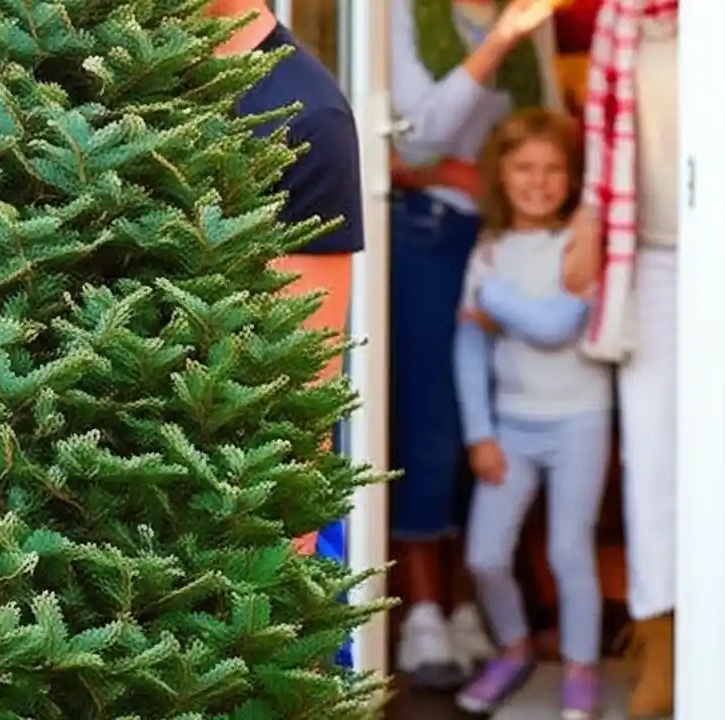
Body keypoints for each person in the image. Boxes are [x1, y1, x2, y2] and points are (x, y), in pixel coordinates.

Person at [388, 0, 564, 688]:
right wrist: (500, 40)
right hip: (428, 235)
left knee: (490, 420)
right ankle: (424, 609)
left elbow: (545, 130)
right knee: (429, 420)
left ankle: (466, 600)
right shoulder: (397, 11)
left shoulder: (534, 19)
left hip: (507, 234)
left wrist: (473, 174)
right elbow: (415, 138)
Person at [206, 0, 365, 665]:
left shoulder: (308, 117)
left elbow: (304, 379)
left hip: (252, 506)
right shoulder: (132, 84)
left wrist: (279, 587)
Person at [452, 108, 611, 719]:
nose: (538, 181)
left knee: (570, 551)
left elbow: (556, 327)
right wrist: (479, 433)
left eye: (552, 169)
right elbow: (468, 347)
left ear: (572, 177)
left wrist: (494, 300)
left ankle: (580, 666)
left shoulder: (580, 242)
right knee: (485, 555)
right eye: (523, 168)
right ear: (501, 173)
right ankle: (514, 648)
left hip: (580, 418)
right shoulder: (489, 248)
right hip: (511, 427)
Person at [562, 1, 679, 717]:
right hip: (655, 264)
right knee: (652, 465)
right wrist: (587, 223)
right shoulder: (621, 19)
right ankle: (661, 648)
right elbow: (603, 143)